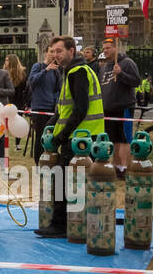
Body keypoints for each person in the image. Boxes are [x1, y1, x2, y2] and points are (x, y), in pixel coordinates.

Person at [35, 35, 105, 238]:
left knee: (63, 181)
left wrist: (61, 136)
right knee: (73, 182)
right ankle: (73, 222)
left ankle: (60, 225)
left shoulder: (77, 72)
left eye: (59, 51)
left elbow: (80, 109)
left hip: (79, 138)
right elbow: (64, 109)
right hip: (81, 136)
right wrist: (50, 125)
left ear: (71, 51)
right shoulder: (72, 72)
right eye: (53, 51)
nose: (55, 55)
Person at [99, 36, 140, 177]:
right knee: (113, 139)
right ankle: (117, 168)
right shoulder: (104, 67)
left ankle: (125, 169)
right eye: (104, 49)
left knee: (124, 139)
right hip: (108, 109)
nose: (105, 51)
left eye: (108, 48)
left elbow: (136, 81)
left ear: (116, 48)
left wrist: (121, 74)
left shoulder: (127, 63)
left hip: (123, 107)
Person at [25, 47, 61, 158]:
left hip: (52, 109)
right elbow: (32, 81)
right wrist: (46, 70)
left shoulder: (56, 71)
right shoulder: (38, 66)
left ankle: (50, 159)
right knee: (40, 137)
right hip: (39, 108)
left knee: (51, 136)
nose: (53, 54)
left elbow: (58, 89)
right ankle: (38, 161)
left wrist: (56, 101)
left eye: (55, 52)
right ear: (45, 53)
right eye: (51, 52)